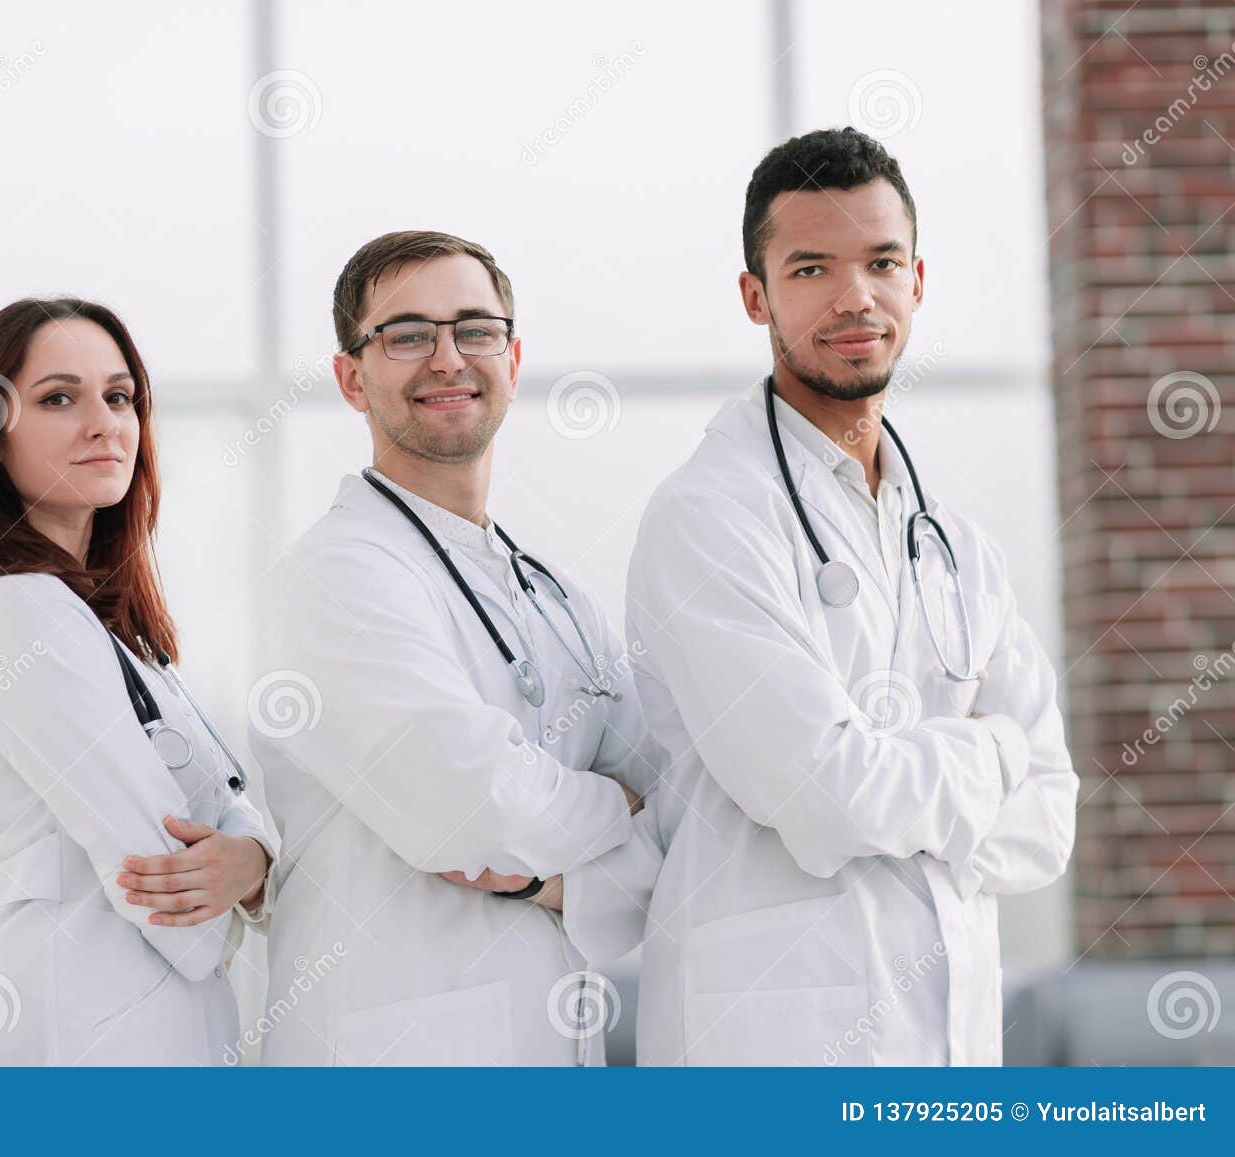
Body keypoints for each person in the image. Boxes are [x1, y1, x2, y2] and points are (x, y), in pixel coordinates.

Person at [626, 128, 1078, 1066]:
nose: (855, 297)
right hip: (776, 1048)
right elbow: (824, 795)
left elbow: (1049, 820)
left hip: (948, 1050)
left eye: (881, 262)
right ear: (755, 296)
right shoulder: (709, 515)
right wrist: (994, 749)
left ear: (919, 280)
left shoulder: (958, 545)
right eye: (811, 268)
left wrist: (896, 794)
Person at [236, 231, 661, 1065]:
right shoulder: (337, 572)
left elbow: (680, 810)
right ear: (352, 379)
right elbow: (471, 805)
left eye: (474, 329)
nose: (447, 358)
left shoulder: (557, 596)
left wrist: (548, 875)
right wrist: (617, 807)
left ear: (513, 358)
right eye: (406, 335)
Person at [0, 297, 277, 1065]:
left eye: (120, 396)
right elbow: (162, 875)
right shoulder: (18, 611)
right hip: (65, 1029)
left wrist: (252, 859)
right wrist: (248, 863)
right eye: (59, 398)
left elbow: (230, 800)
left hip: (138, 1025)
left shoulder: (108, 624)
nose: (104, 423)